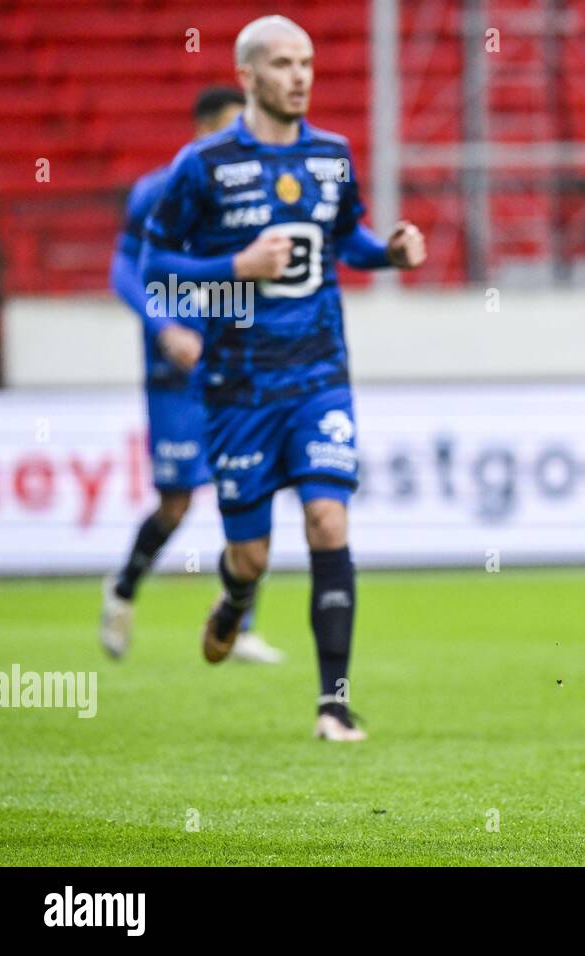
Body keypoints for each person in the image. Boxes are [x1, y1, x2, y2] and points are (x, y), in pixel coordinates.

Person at [141, 16, 426, 741]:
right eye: (281, 63)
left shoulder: (332, 155)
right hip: (237, 387)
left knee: (328, 518)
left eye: (306, 61)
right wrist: (233, 269)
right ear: (247, 77)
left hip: (320, 376)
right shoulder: (202, 166)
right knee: (253, 554)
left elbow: (347, 240)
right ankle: (235, 599)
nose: (299, 75)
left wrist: (387, 252)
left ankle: (333, 704)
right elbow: (155, 269)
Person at [102, 85, 283, 665]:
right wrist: (164, 327)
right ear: (205, 130)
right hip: (175, 369)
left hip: (236, 362)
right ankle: (124, 587)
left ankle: (239, 620)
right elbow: (124, 268)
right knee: (177, 503)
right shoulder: (158, 190)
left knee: (251, 483)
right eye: (233, 128)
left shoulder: (251, 192)